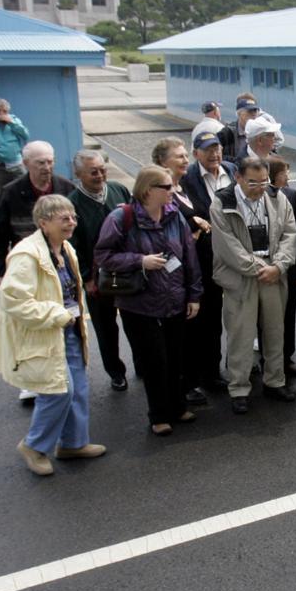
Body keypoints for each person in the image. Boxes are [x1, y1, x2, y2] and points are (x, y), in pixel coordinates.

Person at [0, 194, 106, 476]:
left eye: (73, 217)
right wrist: (55, 315)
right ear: (44, 222)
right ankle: (34, 446)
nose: (72, 223)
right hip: (46, 332)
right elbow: (11, 300)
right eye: (64, 218)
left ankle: (73, 444)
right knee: (57, 391)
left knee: (78, 388)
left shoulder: (65, 248)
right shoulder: (27, 255)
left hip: (69, 330)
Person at [95, 165, 202, 436]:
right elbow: (103, 255)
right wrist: (139, 261)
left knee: (177, 358)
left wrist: (194, 294)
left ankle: (178, 406)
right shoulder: (122, 218)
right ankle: (159, 415)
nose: (172, 191)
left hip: (175, 299)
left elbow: (189, 256)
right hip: (139, 304)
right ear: (147, 190)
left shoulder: (174, 215)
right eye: (166, 187)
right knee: (155, 361)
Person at [210, 156, 296, 413]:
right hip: (241, 278)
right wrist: (263, 268)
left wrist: (278, 266)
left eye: (264, 181)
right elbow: (228, 248)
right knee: (241, 334)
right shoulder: (222, 203)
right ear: (237, 177)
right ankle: (239, 387)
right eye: (253, 183)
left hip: (273, 273)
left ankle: (275, 381)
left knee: (274, 331)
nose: (260, 188)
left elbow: (289, 234)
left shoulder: (277, 197)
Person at [154, 136, 220, 406]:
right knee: (186, 332)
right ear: (161, 161)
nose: (184, 160)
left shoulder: (188, 186)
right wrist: (193, 231)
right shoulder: (159, 193)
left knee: (209, 324)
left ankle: (208, 374)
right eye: (178, 156)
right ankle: (186, 382)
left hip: (204, 268)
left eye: (184, 156)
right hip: (177, 275)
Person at [67, 149, 133, 392]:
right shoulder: (72, 203)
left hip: (127, 271)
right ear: (78, 174)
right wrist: (86, 278)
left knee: (134, 321)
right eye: (93, 172)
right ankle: (115, 372)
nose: (99, 175)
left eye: (102, 169)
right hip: (97, 279)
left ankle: (142, 366)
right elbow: (72, 246)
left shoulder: (119, 190)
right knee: (106, 328)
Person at [181, 132, 237, 395]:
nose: (215, 154)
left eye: (217, 148)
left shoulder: (232, 170)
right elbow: (191, 219)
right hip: (207, 259)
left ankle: (238, 366)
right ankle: (209, 373)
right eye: (208, 150)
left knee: (239, 316)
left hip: (237, 256)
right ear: (196, 154)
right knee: (209, 320)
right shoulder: (186, 180)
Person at [0, 141, 75, 288]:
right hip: (28, 265)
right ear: (26, 163)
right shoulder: (11, 193)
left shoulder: (67, 189)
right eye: (40, 163)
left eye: (50, 162)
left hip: (63, 264)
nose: (46, 167)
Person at [267, 155, 296, 380]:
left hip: (289, 265)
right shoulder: (262, 196)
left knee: (289, 314)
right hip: (269, 266)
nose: (286, 176)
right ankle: (269, 359)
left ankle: (286, 356)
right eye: (283, 172)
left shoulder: (290, 195)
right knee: (270, 318)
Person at [0, 98, 30, 215]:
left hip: (16, 161)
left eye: (4, 111)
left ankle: (24, 213)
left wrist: (11, 123)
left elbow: (25, 135)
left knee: (24, 186)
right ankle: (0, 217)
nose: (1, 113)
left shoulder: (13, 120)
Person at [219, 97, 259, 161]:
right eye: (250, 111)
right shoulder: (226, 133)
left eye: (255, 110)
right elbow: (218, 156)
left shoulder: (260, 131)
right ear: (239, 114)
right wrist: (238, 162)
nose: (254, 114)